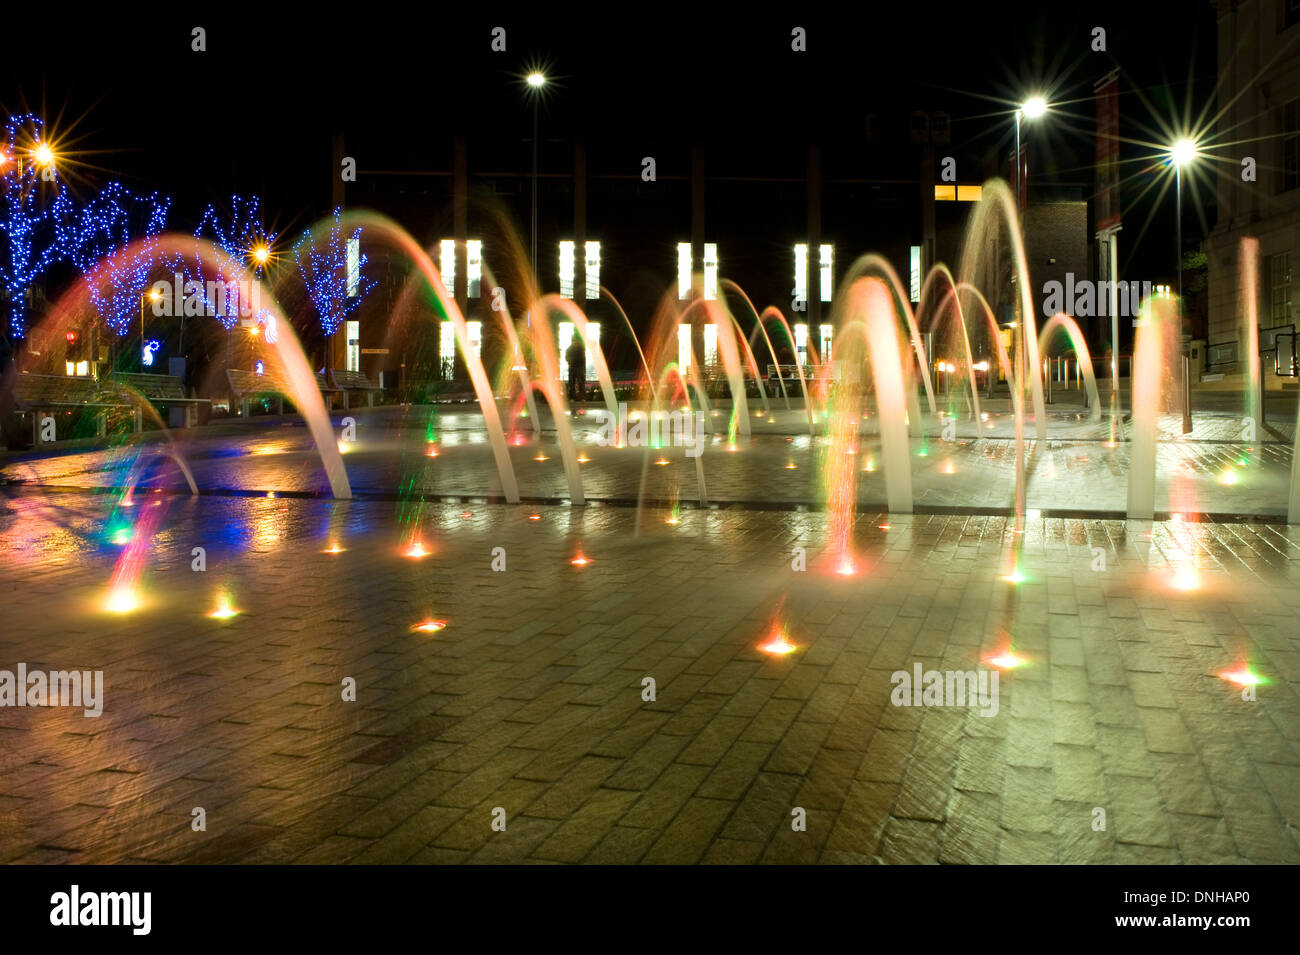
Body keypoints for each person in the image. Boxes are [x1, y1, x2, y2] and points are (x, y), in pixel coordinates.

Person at [567, 334, 586, 403]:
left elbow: (567, 358)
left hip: (573, 367)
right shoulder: (581, 348)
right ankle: (582, 398)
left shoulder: (570, 348)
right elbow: (583, 358)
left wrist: (570, 362)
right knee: (580, 383)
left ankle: (573, 398)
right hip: (579, 368)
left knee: (572, 383)